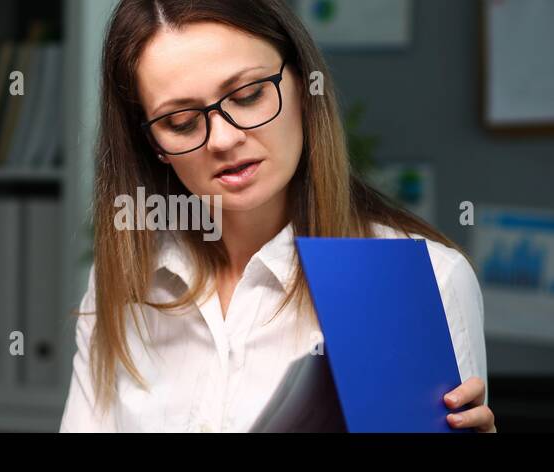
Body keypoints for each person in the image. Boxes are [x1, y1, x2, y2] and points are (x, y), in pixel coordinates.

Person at [60, 0, 494, 433]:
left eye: (249, 95)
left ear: (305, 87)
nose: (224, 139)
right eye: (182, 122)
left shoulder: (420, 282)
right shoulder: (125, 281)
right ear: (153, 144)